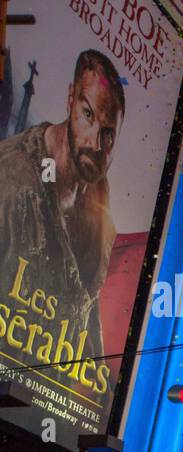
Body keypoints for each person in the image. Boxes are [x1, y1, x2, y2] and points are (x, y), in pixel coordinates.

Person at [0, 49, 123, 370]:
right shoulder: (13, 176)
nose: (97, 143)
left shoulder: (99, 201)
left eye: (108, 134)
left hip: (50, 402)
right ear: (71, 98)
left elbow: (87, 315)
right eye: (88, 115)